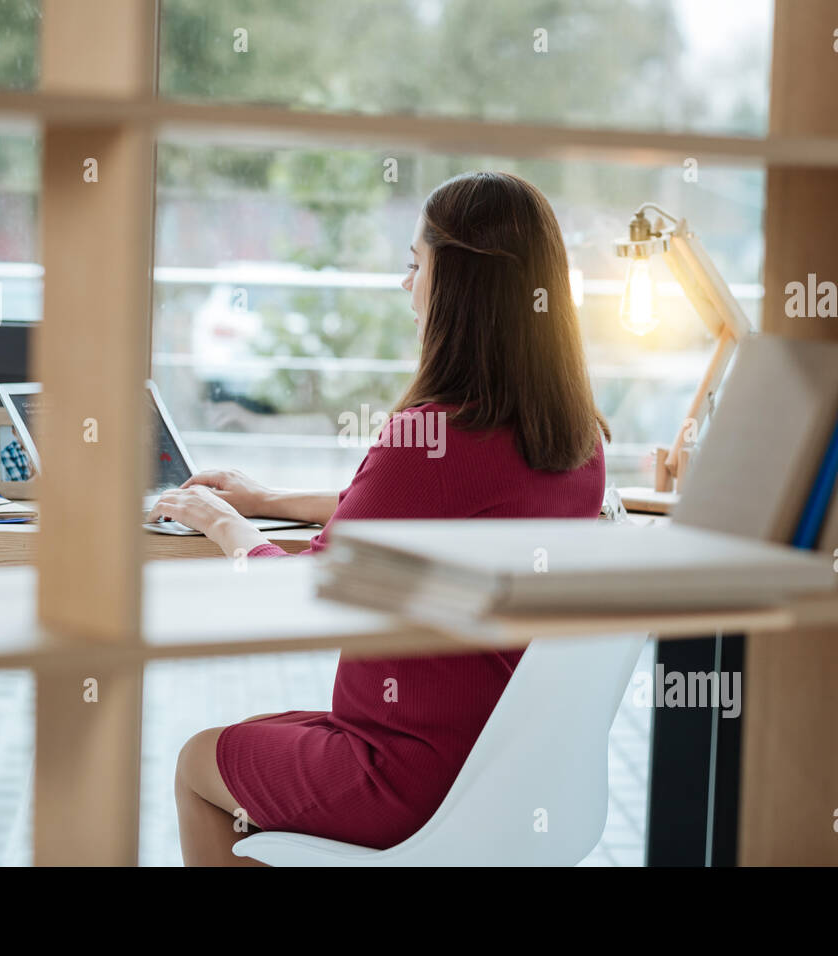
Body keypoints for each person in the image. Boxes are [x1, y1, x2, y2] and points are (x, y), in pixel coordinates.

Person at [153, 171, 611, 866]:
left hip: (407, 774)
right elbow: (440, 512)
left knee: (198, 762)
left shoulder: (430, 438)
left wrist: (220, 523)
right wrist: (270, 500)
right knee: (250, 746)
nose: (407, 287)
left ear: (455, 283)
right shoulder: (578, 443)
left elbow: (305, 596)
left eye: (413, 265)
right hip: (504, 763)